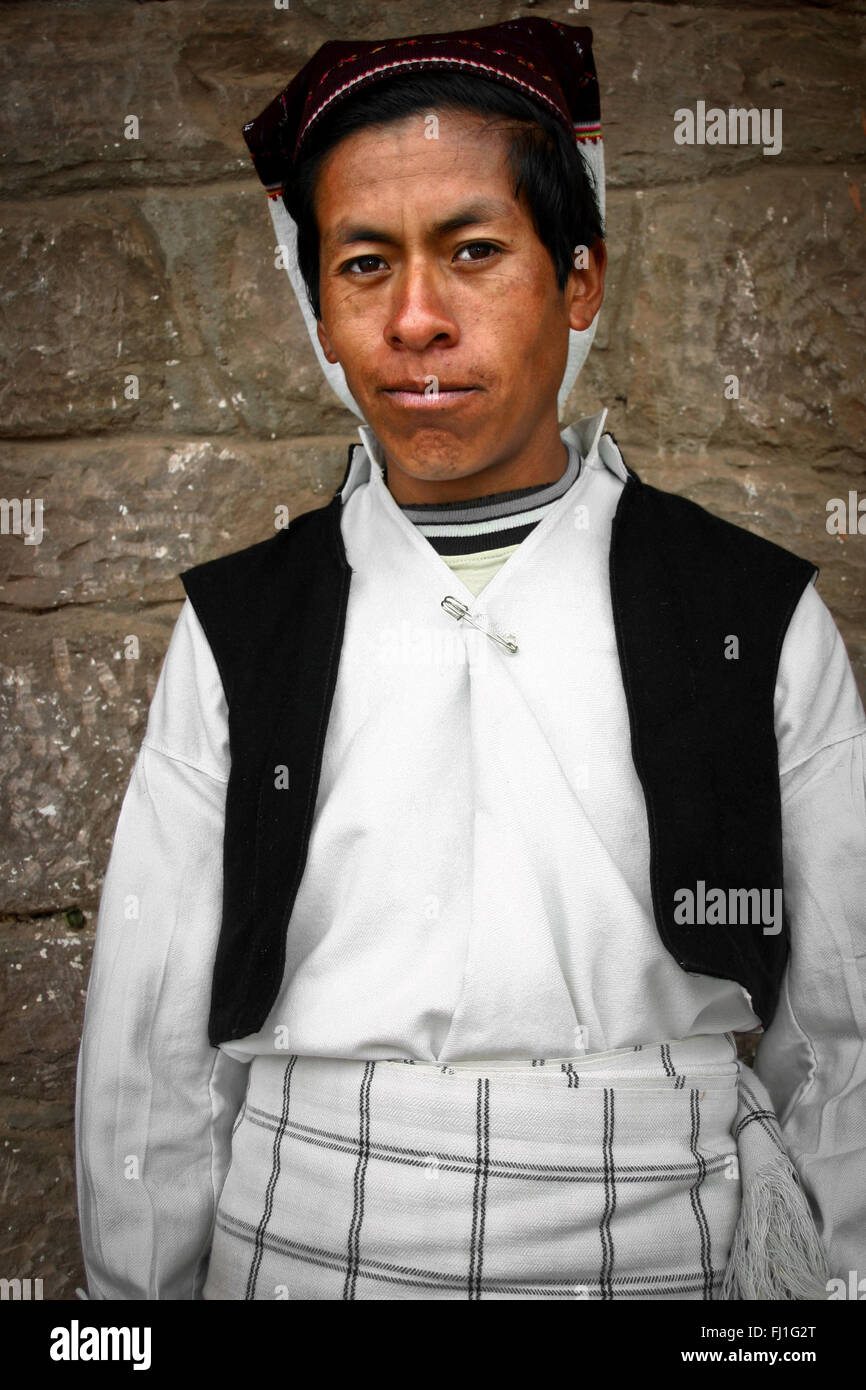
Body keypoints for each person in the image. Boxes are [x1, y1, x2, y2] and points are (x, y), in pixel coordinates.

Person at [75, 18, 866, 1301]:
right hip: (302, 1249)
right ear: (321, 314)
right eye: (363, 265)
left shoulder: (749, 612)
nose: (415, 320)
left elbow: (843, 1030)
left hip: (663, 1254)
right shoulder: (244, 627)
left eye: (473, 252)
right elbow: (153, 1041)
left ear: (579, 281)